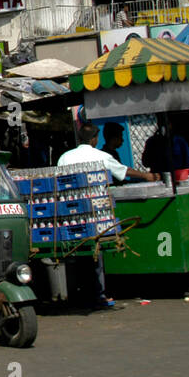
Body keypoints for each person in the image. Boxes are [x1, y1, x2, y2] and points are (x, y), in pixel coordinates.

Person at [58, 123, 158, 311]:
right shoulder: (101, 156)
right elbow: (123, 171)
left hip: (71, 210)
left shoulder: (65, 157)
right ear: (95, 139)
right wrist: (147, 176)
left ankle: (81, 295)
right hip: (94, 210)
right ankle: (98, 295)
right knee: (96, 253)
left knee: (78, 253)